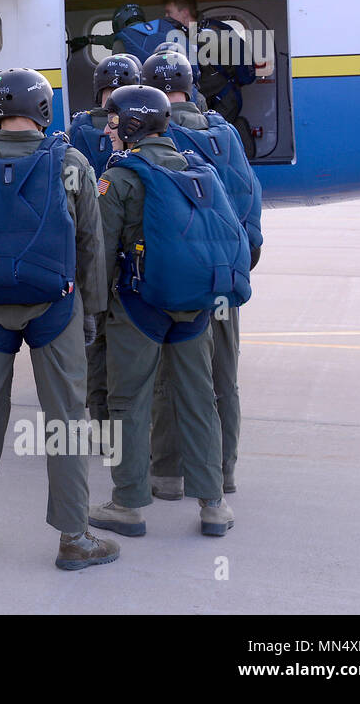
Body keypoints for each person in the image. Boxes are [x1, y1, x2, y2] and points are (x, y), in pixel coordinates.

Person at [0, 68, 119, 570]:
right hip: (55, 306)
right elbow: (90, 244)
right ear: (42, 107)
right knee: (65, 423)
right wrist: (92, 313)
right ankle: (74, 537)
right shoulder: (73, 162)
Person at [88, 84, 250, 538]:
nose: (109, 129)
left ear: (134, 125)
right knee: (199, 399)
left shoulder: (118, 177)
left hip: (139, 308)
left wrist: (92, 314)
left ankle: (127, 504)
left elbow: (99, 255)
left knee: (128, 403)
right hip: (194, 309)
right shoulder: (196, 170)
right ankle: (214, 505)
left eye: (115, 121)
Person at [142, 51, 263, 498]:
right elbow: (251, 195)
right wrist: (244, 256)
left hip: (176, 282)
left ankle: (168, 475)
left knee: (168, 378)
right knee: (223, 377)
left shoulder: (154, 134)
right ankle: (224, 470)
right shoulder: (225, 132)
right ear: (192, 85)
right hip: (224, 277)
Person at [67, 53, 141, 436]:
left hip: (92, 252)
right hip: (135, 257)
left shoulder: (80, 127)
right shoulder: (146, 124)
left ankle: (100, 425)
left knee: (94, 342)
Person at [162, 0, 257, 130]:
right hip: (202, 101)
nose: (166, 17)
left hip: (223, 100)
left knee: (216, 140)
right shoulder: (181, 36)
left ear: (184, 13)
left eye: (169, 12)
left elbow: (244, 71)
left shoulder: (213, 32)